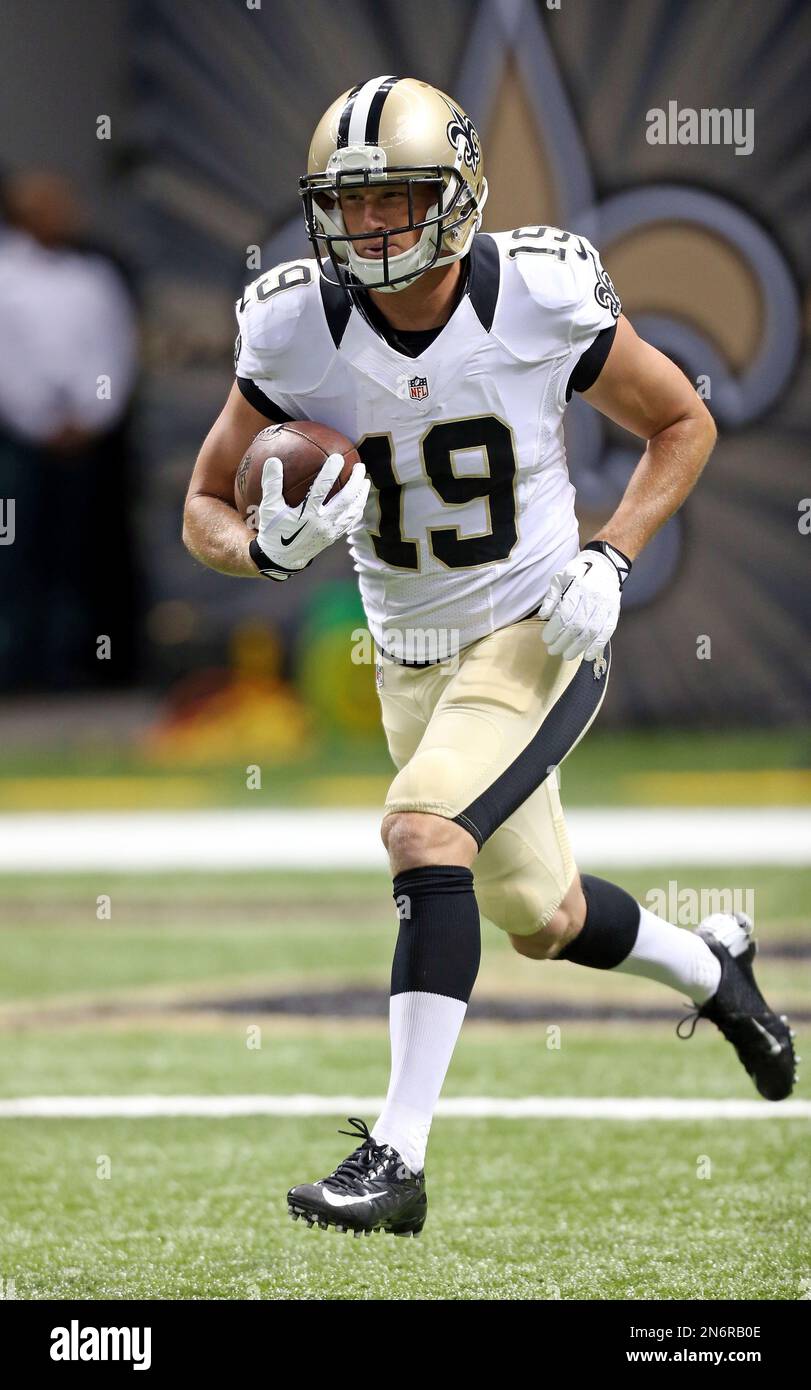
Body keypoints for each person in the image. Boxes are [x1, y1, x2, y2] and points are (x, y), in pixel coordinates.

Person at [182, 77, 797, 1239]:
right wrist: (261, 553)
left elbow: (682, 421)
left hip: (535, 629)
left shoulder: (537, 296)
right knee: (544, 915)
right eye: (348, 205)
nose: (369, 229)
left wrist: (611, 557)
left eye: (396, 199)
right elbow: (202, 507)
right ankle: (718, 970)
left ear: (458, 195)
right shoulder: (291, 324)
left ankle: (397, 1155)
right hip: (407, 659)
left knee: (424, 833)